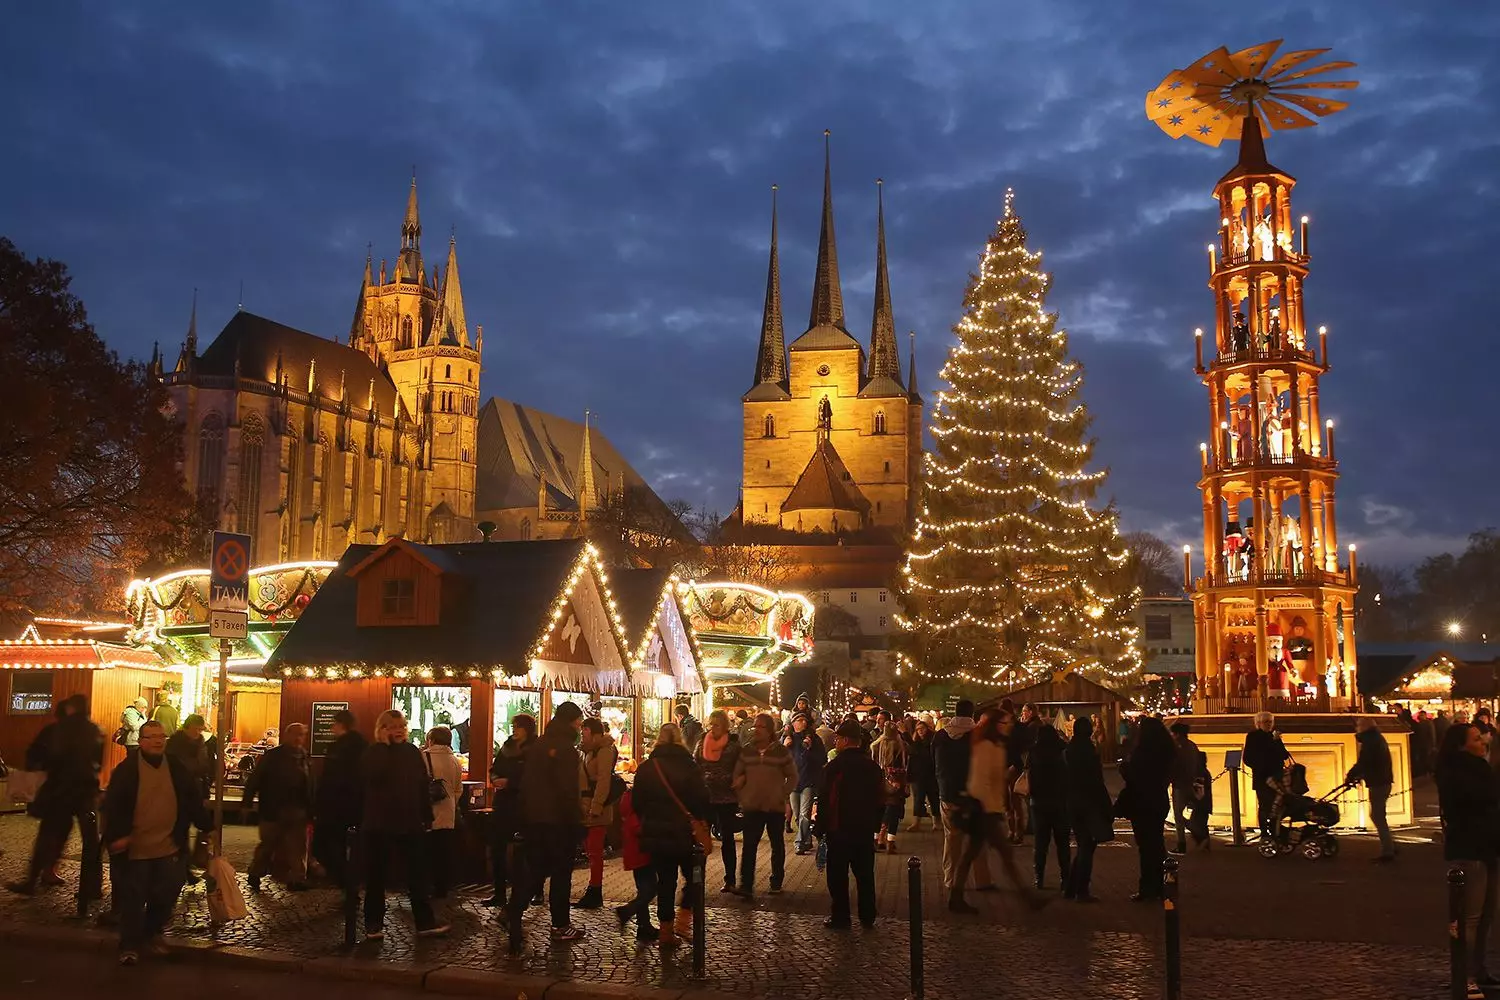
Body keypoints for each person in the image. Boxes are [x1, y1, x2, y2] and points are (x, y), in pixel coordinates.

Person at [102, 720, 212, 966]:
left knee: (167, 894)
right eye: (151, 737)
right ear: (141, 742)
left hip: (169, 845)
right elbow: (114, 806)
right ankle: (129, 945)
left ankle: (151, 933)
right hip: (136, 848)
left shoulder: (175, 767)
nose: (157, 740)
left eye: (161, 736)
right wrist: (117, 836)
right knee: (133, 899)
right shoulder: (127, 770)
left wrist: (207, 824)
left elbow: (191, 798)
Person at [7, 695, 103, 902]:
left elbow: (35, 756)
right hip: (86, 791)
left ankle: (32, 880)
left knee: (49, 835)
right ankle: (92, 888)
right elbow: (98, 762)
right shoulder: (95, 731)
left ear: (69, 708)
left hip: (59, 791)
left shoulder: (54, 730)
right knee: (91, 841)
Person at [361, 710, 448, 940]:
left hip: (409, 821)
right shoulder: (374, 753)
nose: (398, 730)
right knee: (376, 875)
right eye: (391, 726)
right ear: (382, 729)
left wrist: (426, 814)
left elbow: (421, 784)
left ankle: (425, 922)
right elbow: (373, 776)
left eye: (401, 725)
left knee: (417, 875)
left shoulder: (411, 752)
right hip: (380, 823)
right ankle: (373, 923)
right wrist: (384, 746)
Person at [508, 701, 586, 951]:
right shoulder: (566, 749)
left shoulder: (540, 744)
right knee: (561, 874)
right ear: (572, 721)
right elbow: (566, 791)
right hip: (558, 822)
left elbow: (527, 783)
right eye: (579, 721)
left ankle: (512, 912)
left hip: (534, 819)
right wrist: (576, 820)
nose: (580, 726)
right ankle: (560, 925)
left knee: (536, 870)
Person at [950, 708, 1039, 913]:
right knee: (1002, 854)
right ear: (996, 725)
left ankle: (956, 896)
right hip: (984, 810)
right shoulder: (987, 746)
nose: (1009, 727)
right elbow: (981, 781)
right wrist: (992, 808)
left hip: (986, 808)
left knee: (972, 854)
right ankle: (1027, 898)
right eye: (1005, 723)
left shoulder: (994, 745)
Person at [632, 722, 710, 947]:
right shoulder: (689, 766)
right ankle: (684, 920)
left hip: (656, 834)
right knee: (695, 878)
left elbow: (637, 803)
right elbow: (701, 799)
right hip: (685, 833)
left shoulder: (647, 768)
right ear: (680, 740)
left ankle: (666, 932)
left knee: (666, 882)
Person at [1437, 723, 1500, 995]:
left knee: (1487, 915)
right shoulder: (1458, 771)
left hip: (1488, 848)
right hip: (1469, 849)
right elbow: (1478, 801)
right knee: (1470, 919)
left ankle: (1479, 969)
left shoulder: (1480, 768)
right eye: (1476, 739)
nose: (1483, 741)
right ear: (1462, 745)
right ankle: (1464, 976)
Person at [816, 720, 884, 929]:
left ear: (845, 740)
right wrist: (875, 824)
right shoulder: (872, 767)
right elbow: (879, 798)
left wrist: (820, 827)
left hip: (840, 828)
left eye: (837, 738)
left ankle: (841, 916)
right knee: (864, 874)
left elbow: (826, 798)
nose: (835, 742)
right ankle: (867, 914)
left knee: (838, 875)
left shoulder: (835, 767)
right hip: (863, 828)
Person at [733, 712, 796, 899]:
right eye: (755, 726)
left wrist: (782, 793)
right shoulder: (747, 750)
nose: (756, 730)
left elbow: (792, 775)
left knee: (777, 844)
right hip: (752, 806)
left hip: (774, 806)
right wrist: (742, 794)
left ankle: (776, 881)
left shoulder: (781, 752)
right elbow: (737, 775)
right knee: (749, 845)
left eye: (760, 727)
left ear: (769, 731)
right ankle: (746, 884)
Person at [933, 699, 994, 893]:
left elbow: (933, 762)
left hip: (948, 792)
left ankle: (951, 879)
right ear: (972, 714)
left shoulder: (941, 735)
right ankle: (982, 880)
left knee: (952, 838)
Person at [244, 721, 312, 892]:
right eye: (295, 734)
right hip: (273, 809)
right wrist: (246, 804)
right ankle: (255, 873)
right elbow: (255, 780)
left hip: (297, 810)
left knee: (298, 846)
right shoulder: (272, 756)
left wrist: (311, 807)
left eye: (301, 735)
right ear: (287, 735)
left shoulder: (303, 756)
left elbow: (310, 784)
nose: (298, 738)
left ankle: (298, 879)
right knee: (268, 845)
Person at [1119, 716, 1174, 902]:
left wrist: (1124, 768)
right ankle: (1163, 884)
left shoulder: (1142, 752)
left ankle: (1148, 887)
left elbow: (1135, 776)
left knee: (1146, 846)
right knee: (1157, 844)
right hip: (1159, 800)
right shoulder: (1167, 750)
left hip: (1142, 802)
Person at [483, 713, 535, 908]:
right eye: (514, 726)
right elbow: (495, 767)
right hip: (503, 803)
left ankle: (528, 892)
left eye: (518, 726)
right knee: (498, 848)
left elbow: (532, 776)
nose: (515, 729)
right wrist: (495, 778)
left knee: (525, 851)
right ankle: (499, 893)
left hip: (523, 804)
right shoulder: (507, 747)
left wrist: (511, 782)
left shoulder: (533, 749)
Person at [311, 709, 365, 886]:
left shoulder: (338, 747)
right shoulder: (362, 744)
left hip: (336, 806)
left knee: (328, 844)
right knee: (342, 845)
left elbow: (331, 778)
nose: (332, 727)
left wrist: (320, 802)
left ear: (340, 725)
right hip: (354, 804)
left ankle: (345, 881)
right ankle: (347, 882)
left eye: (334, 724)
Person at [694, 709, 742, 892]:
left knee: (727, 839)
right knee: (701, 839)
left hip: (726, 798)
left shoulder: (733, 746)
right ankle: (699, 880)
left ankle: (730, 879)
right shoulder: (702, 743)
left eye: (717, 725)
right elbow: (695, 763)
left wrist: (734, 779)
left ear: (725, 726)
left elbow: (741, 767)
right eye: (711, 724)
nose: (713, 728)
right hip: (705, 797)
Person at [1064, 716, 1110, 902]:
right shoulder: (1089, 750)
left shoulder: (1068, 749)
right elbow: (1097, 780)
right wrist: (1105, 803)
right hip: (1088, 802)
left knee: (1084, 844)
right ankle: (1081, 890)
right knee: (1087, 846)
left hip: (1072, 802)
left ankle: (1071, 888)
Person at [575, 717, 619, 909]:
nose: (582, 735)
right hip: (585, 805)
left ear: (595, 733)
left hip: (596, 808)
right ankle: (593, 890)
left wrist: (596, 806)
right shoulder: (587, 751)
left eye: (585, 731)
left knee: (594, 851)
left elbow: (603, 781)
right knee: (590, 850)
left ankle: (595, 890)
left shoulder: (604, 750)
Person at [1346, 716, 1396, 863]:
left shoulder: (1370, 742)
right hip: (1382, 780)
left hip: (1378, 782)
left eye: (1358, 726)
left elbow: (1365, 762)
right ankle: (1391, 845)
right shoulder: (1376, 739)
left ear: (1364, 728)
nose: (1356, 729)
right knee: (1378, 815)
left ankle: (1388, 850)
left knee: (1377, 816)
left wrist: (1352, 775)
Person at [423, 725, 464, 898]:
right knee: (444, 851)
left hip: (428, 811)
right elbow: (458, 788)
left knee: (427, 850)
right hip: (448, 812)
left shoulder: (423, 757)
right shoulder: (455, 760)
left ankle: (426, 885)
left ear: (431, 739)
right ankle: (442, 887)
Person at [613, 785, 658, 941]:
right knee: (650, 890)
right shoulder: (637, 814)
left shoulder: (629, 806)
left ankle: (644, 925)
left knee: (643, 889)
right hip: (642, 855)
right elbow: (641, 830)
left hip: (635, 856)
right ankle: (628, 910)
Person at [1027, 725, 1070, 890]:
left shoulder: (1034, 751)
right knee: (1063, 842)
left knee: (1040, 842)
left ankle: (1039, 877)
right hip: (1060, 801)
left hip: (1039, 802)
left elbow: (1029, 773)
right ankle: (1065, 878)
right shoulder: (1062, 750)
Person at [1242, 712, 1290, 838]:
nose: (1269, 725)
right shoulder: (1253, 736)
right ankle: (1264, 832)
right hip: (1262, 777)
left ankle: (1275, 830)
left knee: (1277, 804)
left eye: (1270, 722)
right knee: (1264, 805)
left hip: (1277, 777)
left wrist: (1277, 741)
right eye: (1266, 722)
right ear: (1259, 723)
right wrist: (1261, 766)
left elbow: (1284, 755)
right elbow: (1248, 758)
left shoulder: (1273, 736)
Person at [786, 712, 827, 855]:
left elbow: (822, 759)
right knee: (797, 815)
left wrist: (809, 749)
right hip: (792, 782)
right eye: (799, 720)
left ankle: (799, 843)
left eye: (804, 720)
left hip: (808, 781)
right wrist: (784, 747)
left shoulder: (814, 739)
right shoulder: (788, 739)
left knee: (804, 814)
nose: (802, 722)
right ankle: (807, 839)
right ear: (793, 723)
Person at [1169, 721, 1211, 854]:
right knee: (1193, 812)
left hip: (1180, 784)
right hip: (1193, 784)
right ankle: (1201, 835)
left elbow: (1174, 765)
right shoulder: (1192, 745)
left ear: (1176, 734)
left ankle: (1183, 843)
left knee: (1178, 815)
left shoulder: (1175, 746)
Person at [871, 722, 909, 853]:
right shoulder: (901, 746)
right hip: (895, 784)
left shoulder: (875, 746)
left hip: (878, 783)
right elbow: (905, 764)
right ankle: (890, 843)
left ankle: (876, 841)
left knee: (878, 812)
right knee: (893, 813)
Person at [905, 719, 939, 833]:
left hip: (931, 774)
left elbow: (921, 752)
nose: (920, 731)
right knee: (918, 799)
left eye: (922, 729)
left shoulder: (932, 740)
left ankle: (936, 822)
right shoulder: (916, 741)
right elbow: (912, 754)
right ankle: (916, 822)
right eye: (918, 729)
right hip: (918, 775)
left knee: (933, 798)